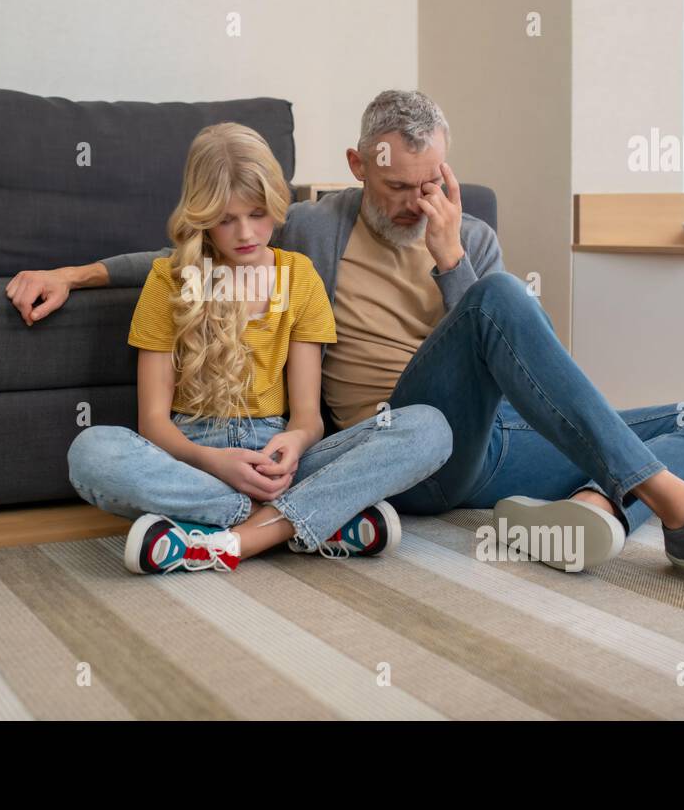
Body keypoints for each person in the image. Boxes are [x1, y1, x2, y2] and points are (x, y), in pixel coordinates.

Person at [22, 91, 684, 603]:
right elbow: (189, 256)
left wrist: (450, 260)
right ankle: (681, 515)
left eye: (433, 182)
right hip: (402, 440)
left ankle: (595, 509)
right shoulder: (308, 229)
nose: (418, 202)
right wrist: (79, 272)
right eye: (398, 187)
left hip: (495, 443)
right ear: (357, 168)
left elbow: (505, 358)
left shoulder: (468, 238)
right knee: (502, 305)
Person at [64, 122, 453, 574]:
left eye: (257, 213)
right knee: (91, 452)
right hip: (195, 462)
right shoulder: (167, 281)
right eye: (226, 219)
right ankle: (305, 522)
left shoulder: (300, 276)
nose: (246, 233)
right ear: (202, 215)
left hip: (281, 463)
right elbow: (152, 422)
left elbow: (308, 416)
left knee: (430, 428)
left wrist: (295, 439)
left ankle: (230, 538)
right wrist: (214, 461)